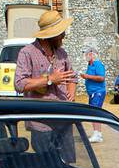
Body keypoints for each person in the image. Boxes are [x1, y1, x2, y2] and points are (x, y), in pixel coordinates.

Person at [14, 9, 77, 158]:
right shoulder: (27, 52)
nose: (63, 35)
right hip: (41, 123)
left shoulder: (62, 53)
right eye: (60, 32)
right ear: (51, 34)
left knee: (68, 167)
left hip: (64, 120)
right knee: (46, 167)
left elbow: (72, 78)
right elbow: (19, 84)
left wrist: (71, 92)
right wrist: (49, 80)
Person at [80, 48, 108, 142]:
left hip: (98, 92)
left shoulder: (97, 64)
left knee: (94, 112)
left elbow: (101, 78)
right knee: (94, 112)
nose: (85, 56)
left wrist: (87, 76)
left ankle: (97, 134)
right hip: (93, 93)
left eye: (87, 54)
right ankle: (98, 133)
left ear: (91, 55)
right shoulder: (90, 65)